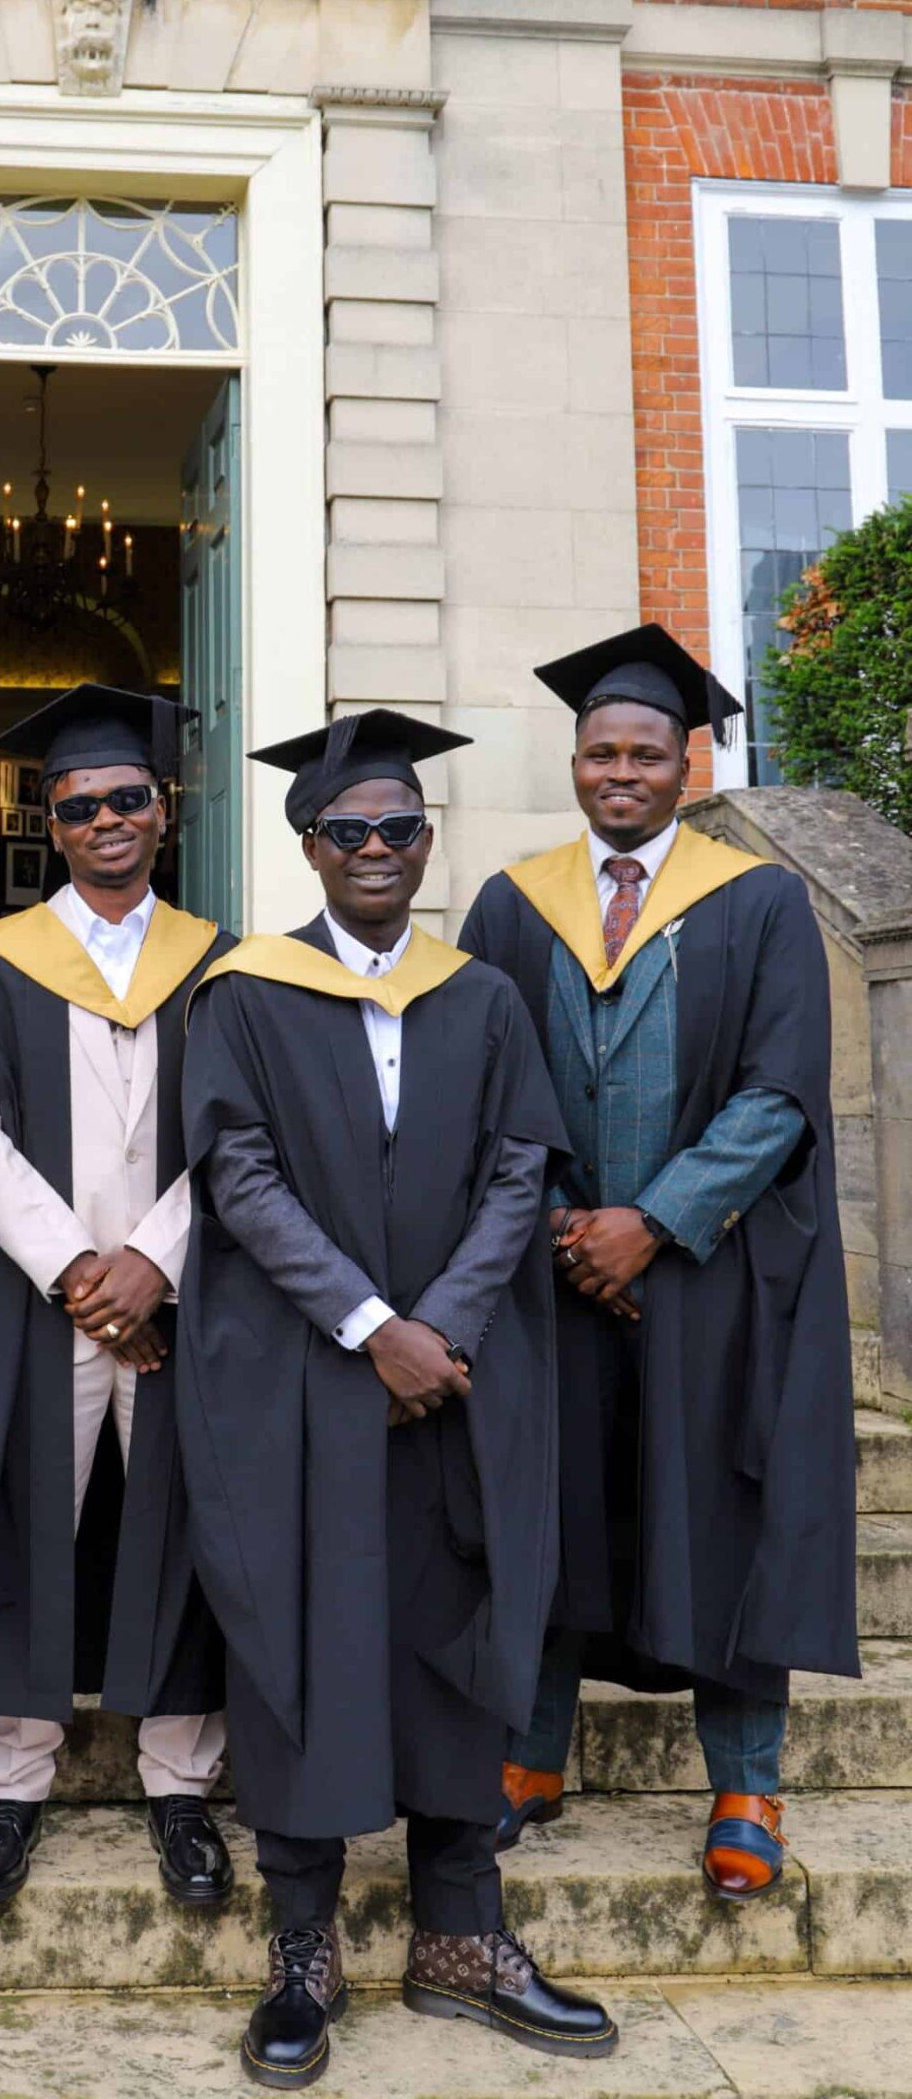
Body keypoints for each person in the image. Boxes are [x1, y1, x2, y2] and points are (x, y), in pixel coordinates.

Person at [181, 710, 617, 2090]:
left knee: (457, 1631)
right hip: (300, 1383)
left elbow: (520, 1168)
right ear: (308, 846)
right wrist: (371, 1326)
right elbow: (237, 1177)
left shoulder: (480, 996)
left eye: (399, 829)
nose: (376, 848)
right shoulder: (245, 994)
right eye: (349, 830)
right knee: (298, 1638)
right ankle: (303, 1946)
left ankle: (459, 1937)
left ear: (427, 845)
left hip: (457, 1383)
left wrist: (440, 1328)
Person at [460, 624, 858, 1900]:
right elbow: (482, 1085)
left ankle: (745, 1781)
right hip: (552, 1272)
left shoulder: (759, 900)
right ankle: (527, 1756)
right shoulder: (513, 903)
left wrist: (657, 1219)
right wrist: (563, 1222)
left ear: (688, 763)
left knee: (729, 1508)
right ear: (574, 761)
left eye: (645, 753)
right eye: (601, 753)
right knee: (549, 1507)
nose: (621, 773)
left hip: (712, 1274)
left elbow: (782, 1092)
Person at [0, 685, 233, 1910]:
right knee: (27, 1519)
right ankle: (11, 1779)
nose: (106, 820)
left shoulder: (221, 963)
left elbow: (246, 1136)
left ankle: (181, 1779)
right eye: (81, 805)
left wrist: (154, 1259)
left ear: (163, 809)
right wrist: (82, 1274)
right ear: (51, 822)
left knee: (184, 1523)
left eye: (126, 799)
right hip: (41, 1298)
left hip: (179, 1294)